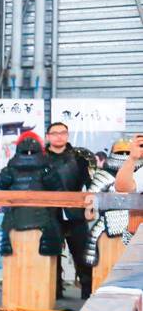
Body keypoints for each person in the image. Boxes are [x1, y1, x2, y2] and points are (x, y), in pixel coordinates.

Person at [43, 121, 96, 300]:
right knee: (51, 254)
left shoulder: (81, 157)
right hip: (49, 214)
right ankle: (54, 291)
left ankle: (88, 290)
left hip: (75, 213)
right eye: (55, 133)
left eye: (63, 132)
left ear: (67, 135)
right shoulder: (39, 158)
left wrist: (90, 207)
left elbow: (92, 185)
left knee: (83, 254)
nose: (59, 136)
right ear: (48, 136)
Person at [0, 130, 63, 261]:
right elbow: (61, 195)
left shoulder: (8, 171)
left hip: (13, 222)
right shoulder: (47, 171)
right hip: (45, 223)